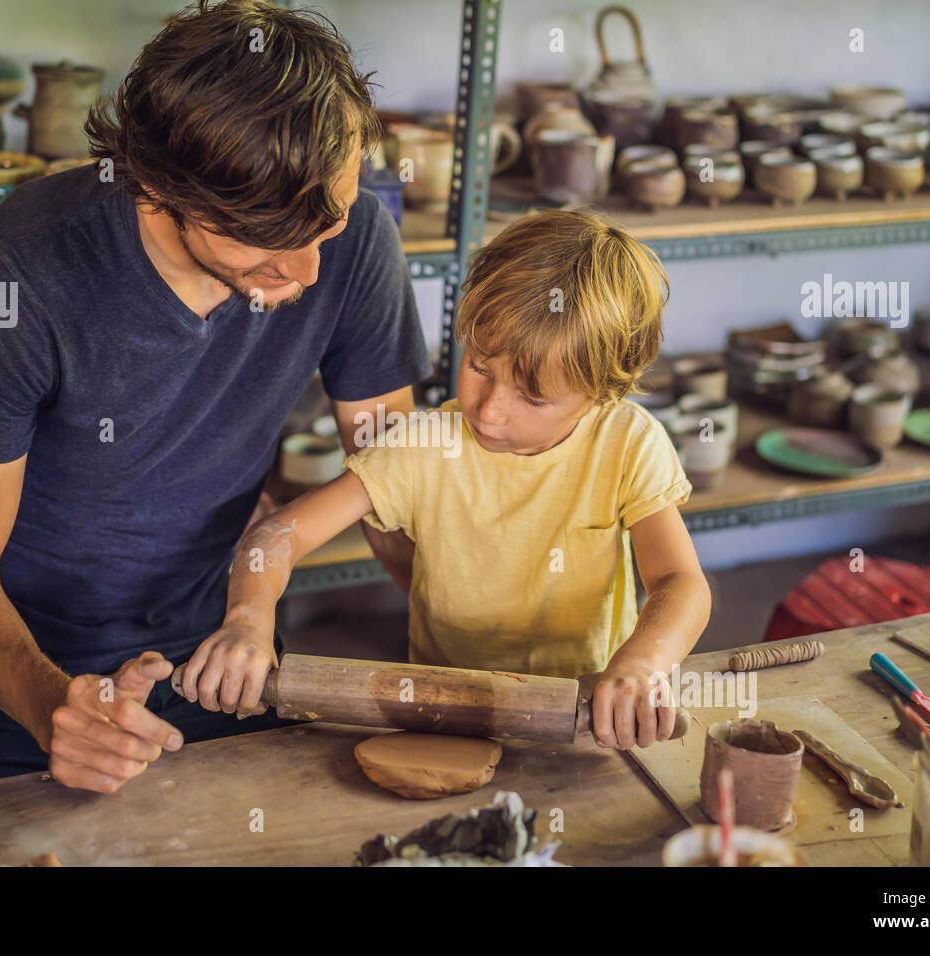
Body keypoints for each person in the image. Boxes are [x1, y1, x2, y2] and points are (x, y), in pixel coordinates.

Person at [0, 0, 431, 795]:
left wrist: (477, 628)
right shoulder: (18, 275)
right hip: (3, 681)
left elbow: (395, 483)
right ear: (159, 185)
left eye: (328, 226)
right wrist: (55, 711)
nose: (309, 273)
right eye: (269, 242)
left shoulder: (347, 246)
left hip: (220, 656)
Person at [174, 210, 712, 749]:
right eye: (480, 365)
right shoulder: (425, 444)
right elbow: (277, 536)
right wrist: (247, 620)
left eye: (532, 397)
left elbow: (680, 583)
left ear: (604, 392)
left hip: (586, 710)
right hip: (445, 710)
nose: (491, 410)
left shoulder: (628, 443)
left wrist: (644, 663)